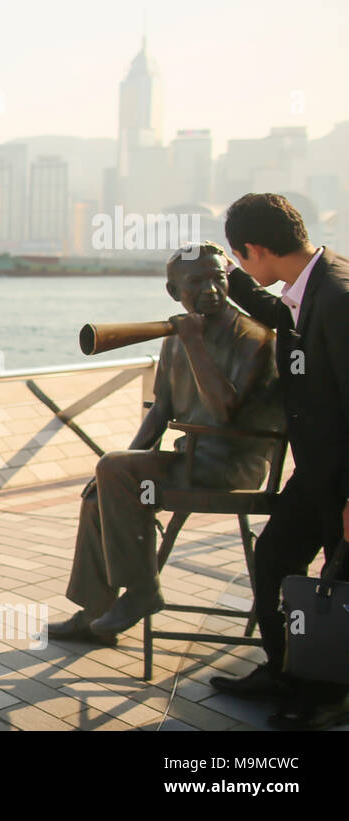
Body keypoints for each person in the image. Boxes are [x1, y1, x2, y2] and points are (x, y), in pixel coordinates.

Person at [47, 241, 281, 643]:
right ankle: (95, 613)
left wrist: (192, 341)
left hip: (230, 469)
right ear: (174, 292)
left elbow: (225, 411)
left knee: (115, 472)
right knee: (99, 491)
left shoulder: (253, 338)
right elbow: (161, 411)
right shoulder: (176, 337)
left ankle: (142, 591)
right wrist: (118, 465)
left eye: (218, 278)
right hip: (189, 459)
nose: (210, 289)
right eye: (196, 281)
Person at [207, 193, 349, 730]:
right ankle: (285, 668)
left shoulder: (339, 297)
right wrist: (234, 282)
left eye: (240, 258)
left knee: (342, 584)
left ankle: (332, 694)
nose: (241, 266)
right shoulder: (311, 284)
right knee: (274, 560)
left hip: (342, 475)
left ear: (259, 249)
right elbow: (282, 316)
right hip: (318, 470)